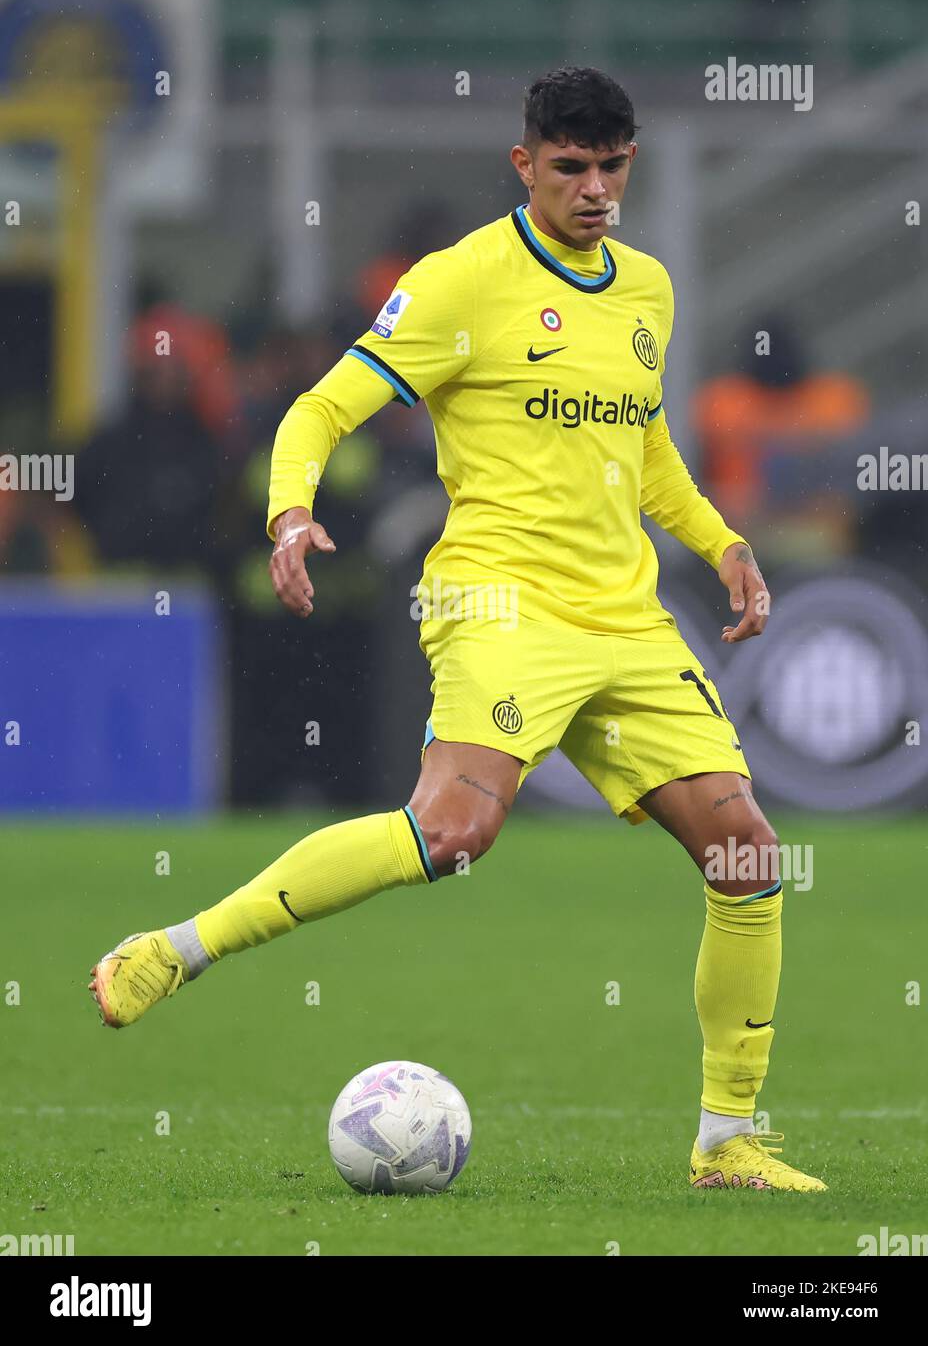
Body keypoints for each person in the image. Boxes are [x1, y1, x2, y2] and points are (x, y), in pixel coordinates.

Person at [89, 66, 825, 1194]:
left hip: (622, 614)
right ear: (523, 162)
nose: (592, 188)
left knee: (746, 857)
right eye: (568, 166)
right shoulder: (458, 283)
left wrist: (720, 539)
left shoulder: (647, 291)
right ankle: (173, 949)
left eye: (611, 166)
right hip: (498, 601)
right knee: (451, 834)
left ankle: (726, 1144)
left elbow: (647, 444)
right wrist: (291, 510)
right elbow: (319, 406)